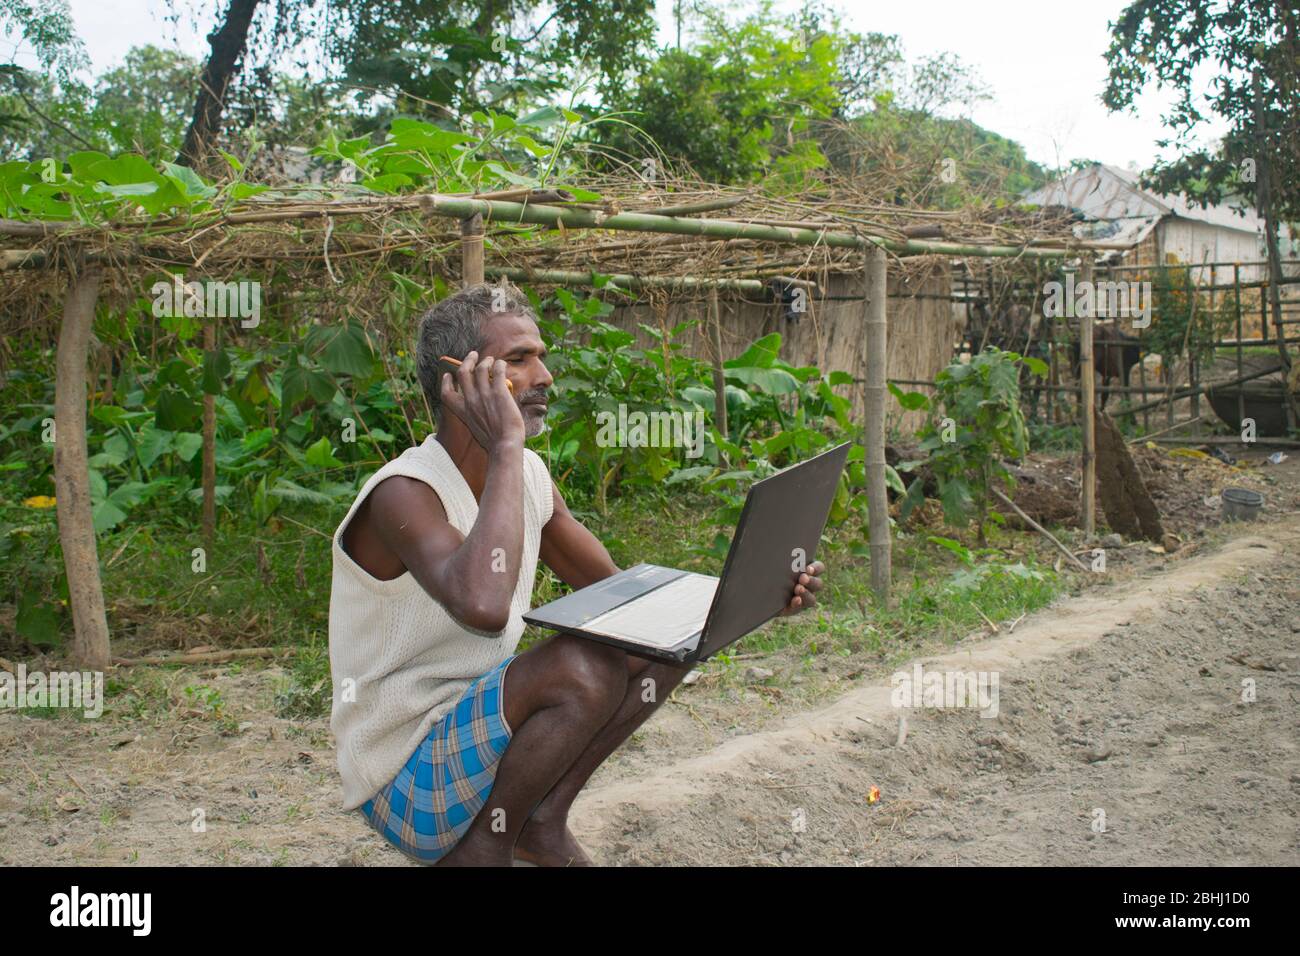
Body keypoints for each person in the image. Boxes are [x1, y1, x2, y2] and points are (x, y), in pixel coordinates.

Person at [328, 282, 826, 866]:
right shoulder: (404, 493)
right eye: (518, 359)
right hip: (406, 778)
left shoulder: (528, 477)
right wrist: (508, 445)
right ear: (458, 379)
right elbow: (482, 606)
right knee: (581, 668)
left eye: (540, 356)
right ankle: (484, 849)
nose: (544, 376)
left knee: (652, 647)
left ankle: (539, 818)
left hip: (482, 742)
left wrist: (761, 593)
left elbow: (628, 606)